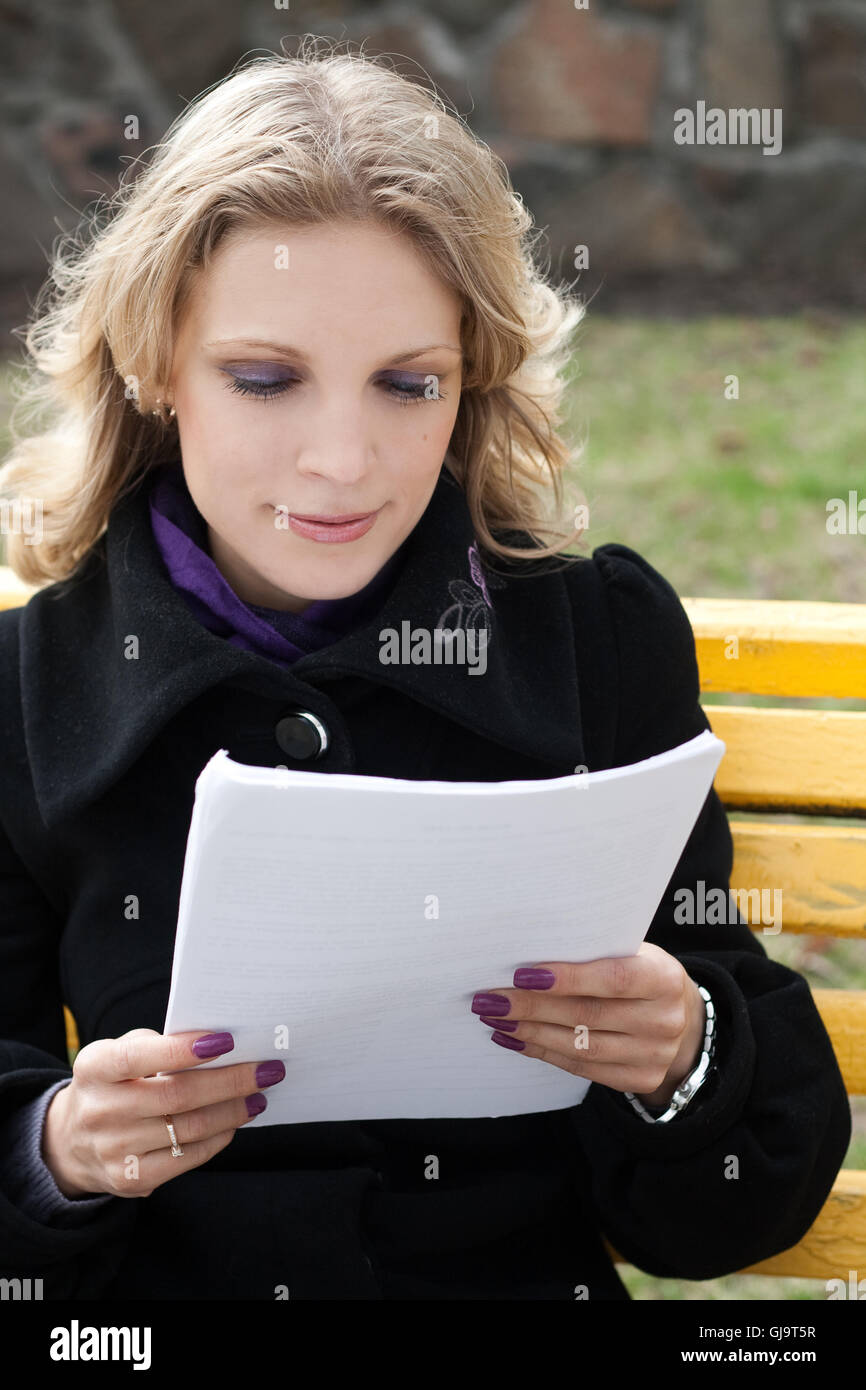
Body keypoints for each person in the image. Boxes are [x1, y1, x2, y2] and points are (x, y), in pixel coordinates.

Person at [0, 41, 850, 1301]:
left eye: (408, 384)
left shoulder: (594, 643)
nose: (342, 461)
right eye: (264, 379)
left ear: (473, 383)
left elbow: (731, 1215)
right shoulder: (28, 691)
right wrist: (57, 1152)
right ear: (153, 364)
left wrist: (687, 1053)